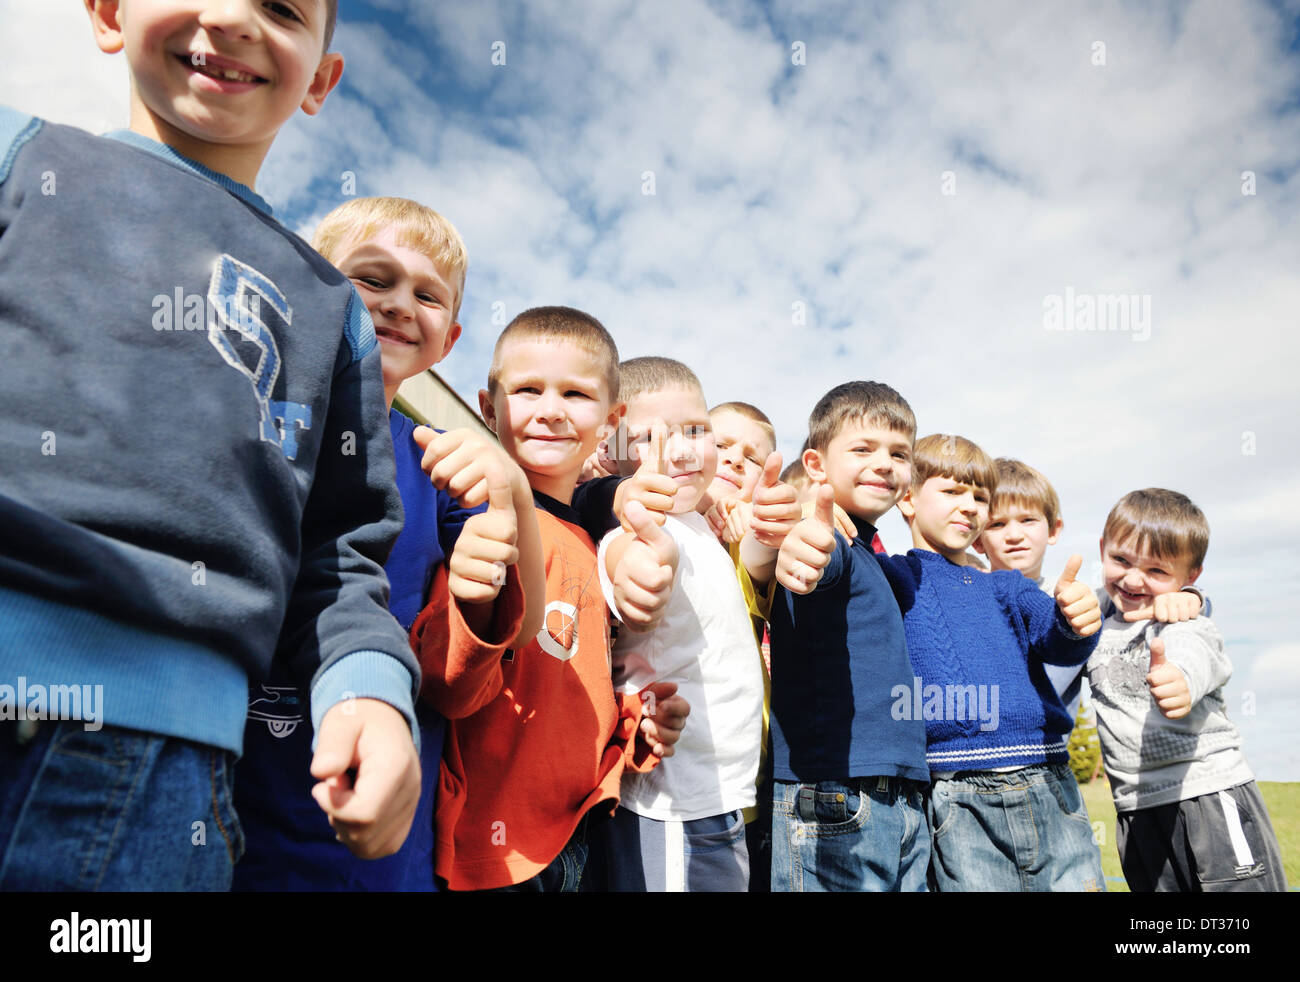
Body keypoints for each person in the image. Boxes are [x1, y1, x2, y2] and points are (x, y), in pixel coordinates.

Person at [0, 0, 424, 890]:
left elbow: (340, 560)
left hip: (152, 774)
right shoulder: (20, 154)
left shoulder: (328, 308)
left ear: (319, 80)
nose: (233, 17)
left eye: (280, 8)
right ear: (111, 13)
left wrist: (371, 693)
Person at [233, 197, 544, 890]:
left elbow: (517, 633)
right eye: (374, 281)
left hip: (381, 840)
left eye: (427, 295)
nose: (402, 304)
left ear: (451, 338)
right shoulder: (252, 419)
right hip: (234, 806)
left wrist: (512, 497)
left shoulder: (442, 462)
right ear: (314, 283)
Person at [412, 307, 689, 891]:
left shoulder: (595, 543)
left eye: (576, 393)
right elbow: (448, 685)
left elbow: (571, 680)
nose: (551, 409)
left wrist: (635, 727)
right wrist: (476, 603)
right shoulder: (484, 521)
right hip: (496, 851)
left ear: (611, 420)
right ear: (488, 408)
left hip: (578, 833)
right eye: (528, 389)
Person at [884, 434, 1105, 891]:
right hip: (957, 795)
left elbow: (1056, 640)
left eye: (980, 497)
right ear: (906, 498)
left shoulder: (1006, 586)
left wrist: (1076, 619)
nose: (969, 506)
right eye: (952, 491)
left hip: (1047, 780)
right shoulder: (893, 577)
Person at [586, 359, 770, 891]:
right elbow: (627, 564)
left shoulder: (705, 528)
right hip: (667, 801)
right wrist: (639, 580)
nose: (682, 450)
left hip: (723, 797)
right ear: (612, 450)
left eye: (695, 429)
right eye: (647, 436)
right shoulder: (637, 528)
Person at [768, 381, 931, 891]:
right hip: (835, 792)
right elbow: (817, 557)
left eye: (898, 453)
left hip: (900, 793)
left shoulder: (874, 557)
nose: (884, 463)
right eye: (862, 449)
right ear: (815, 465)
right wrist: (807, 546)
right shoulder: (830, 538)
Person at [1089, 489, 1287, 891]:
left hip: (1207, 793)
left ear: (1190, 576)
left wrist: (1180, 679)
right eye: (1120, 560)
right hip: (1136, 807)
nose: (1131, 579)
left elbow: (1196, 652)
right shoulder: (1092, 618)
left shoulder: (1185, 621)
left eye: (1157, 571)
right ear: (1102, 549)